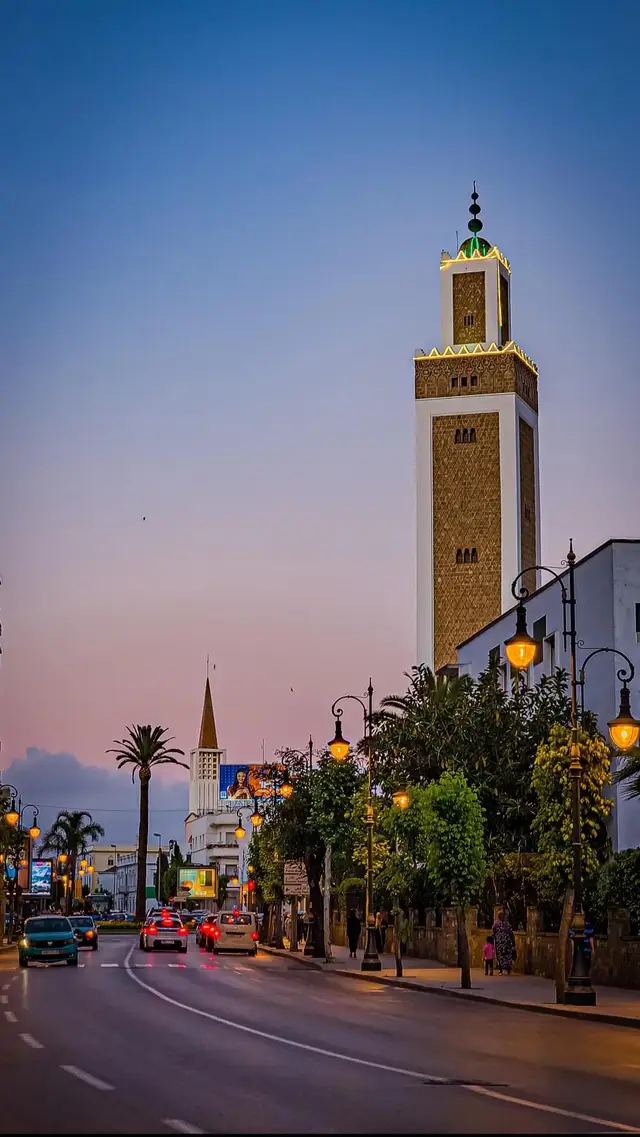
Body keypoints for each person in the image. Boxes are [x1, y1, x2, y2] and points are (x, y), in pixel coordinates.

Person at [492, 908, 516, 974]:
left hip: (501, 943)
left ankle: (503, 970)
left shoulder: (496, 923)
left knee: (502, 956)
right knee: (505, 956)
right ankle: (506, 970)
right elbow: (511, 934)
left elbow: (493, 932)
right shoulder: (507, 924)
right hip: (505, 943)